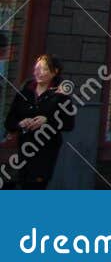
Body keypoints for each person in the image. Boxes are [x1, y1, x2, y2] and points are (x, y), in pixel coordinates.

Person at [4, 54, 74, 189]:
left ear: (54, 72)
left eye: (43, 69)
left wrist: (47, 121)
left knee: (37, 185)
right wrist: (21, 123)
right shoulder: (25, 92)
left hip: (46, 150)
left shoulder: (60, 96)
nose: (38, 72)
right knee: (20, 183)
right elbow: (9, 122)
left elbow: (69, 123)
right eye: (36, 68)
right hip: (23, 148)